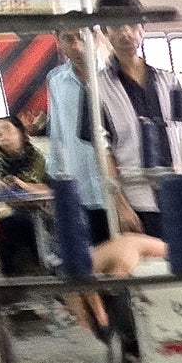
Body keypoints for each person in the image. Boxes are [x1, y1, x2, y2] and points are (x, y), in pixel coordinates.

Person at [87, 0, 182, 239]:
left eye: (131, 24)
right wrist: (121, 206)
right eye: (116, 26)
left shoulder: (168, 80)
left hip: (180, 194)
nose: (125, 32)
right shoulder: (98, 89)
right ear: (105, 32)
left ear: (142, 27)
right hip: (138, 205)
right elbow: (103, 152)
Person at [47, 27, 111, 245]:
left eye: (81, 37)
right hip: (80, 189)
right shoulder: (56, 81)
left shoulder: (112, 76)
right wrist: (56, 178)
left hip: (115, 189)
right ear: (58, 41)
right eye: (68, 38)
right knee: (93, 261)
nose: (76, 45)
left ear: (95, 38)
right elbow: (57, 132)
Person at [0, 116, 51, 278]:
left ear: (20, 132)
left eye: (7, 129)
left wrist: (21, 184)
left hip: (38, 213)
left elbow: (51, 190)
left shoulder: (39, 159)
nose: (0, 134)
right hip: (4, 214)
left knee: (17, 224)